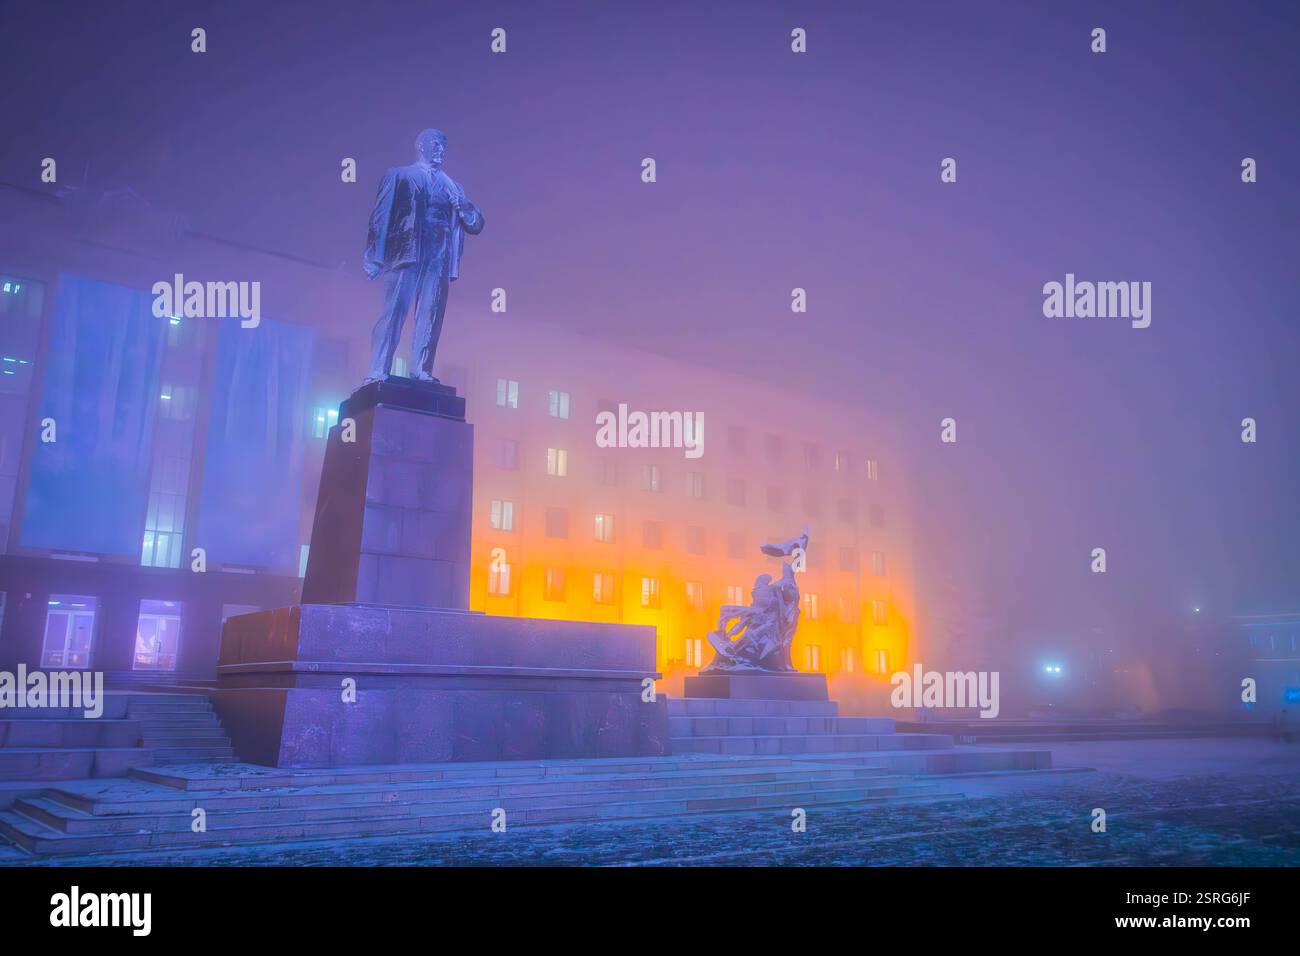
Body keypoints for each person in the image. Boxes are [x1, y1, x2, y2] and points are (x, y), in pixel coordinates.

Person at [363, 128, 484, 383]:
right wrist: (375, 257)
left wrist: (462, 205)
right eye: (436, 144)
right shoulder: (399, 176)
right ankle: (378, 368)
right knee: (394, 310)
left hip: (439, 254)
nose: (441, 150)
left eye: (444, 146)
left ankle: (421, 369)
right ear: (421, 146)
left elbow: (476, 224)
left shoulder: (453, 186)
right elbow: (380, 217)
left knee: (431, 313)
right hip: (407, 250)